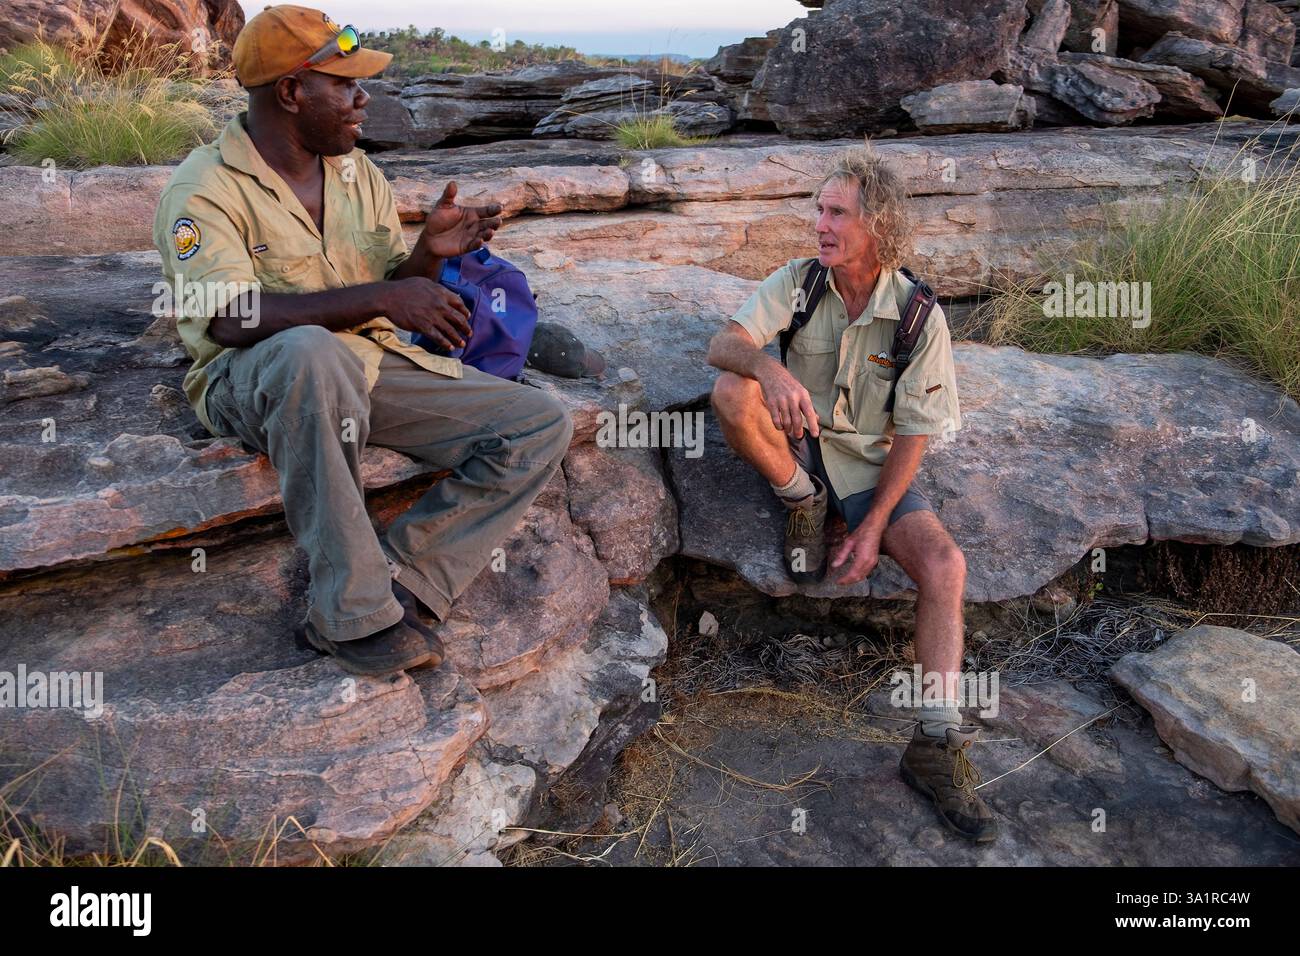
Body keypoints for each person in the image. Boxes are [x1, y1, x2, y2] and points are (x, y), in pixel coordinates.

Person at [152, 6, 572, 677]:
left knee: (539, 424)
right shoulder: (202, 188)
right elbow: (227, 318)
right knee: (310, 353)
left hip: (365, 364)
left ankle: (404, 580)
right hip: (256, 382)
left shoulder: (356, 173)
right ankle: (348, 615)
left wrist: (427, 257)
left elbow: (386, 285)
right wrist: (383, 297)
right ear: (292, 92)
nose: (362, 97)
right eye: (345, 83)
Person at [705, 145, 996, 844]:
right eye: (819, 209)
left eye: (837, 214)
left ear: (879, 228)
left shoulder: (919, 315)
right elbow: (725, 343)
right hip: (802, 448)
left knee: (945, 566)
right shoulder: (802, 282)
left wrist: (874, 527)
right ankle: (802, 501)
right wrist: (768, 368)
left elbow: (915, 435)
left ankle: (933, 743)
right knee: (731, 389)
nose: (820, 225)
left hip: (868, 471)